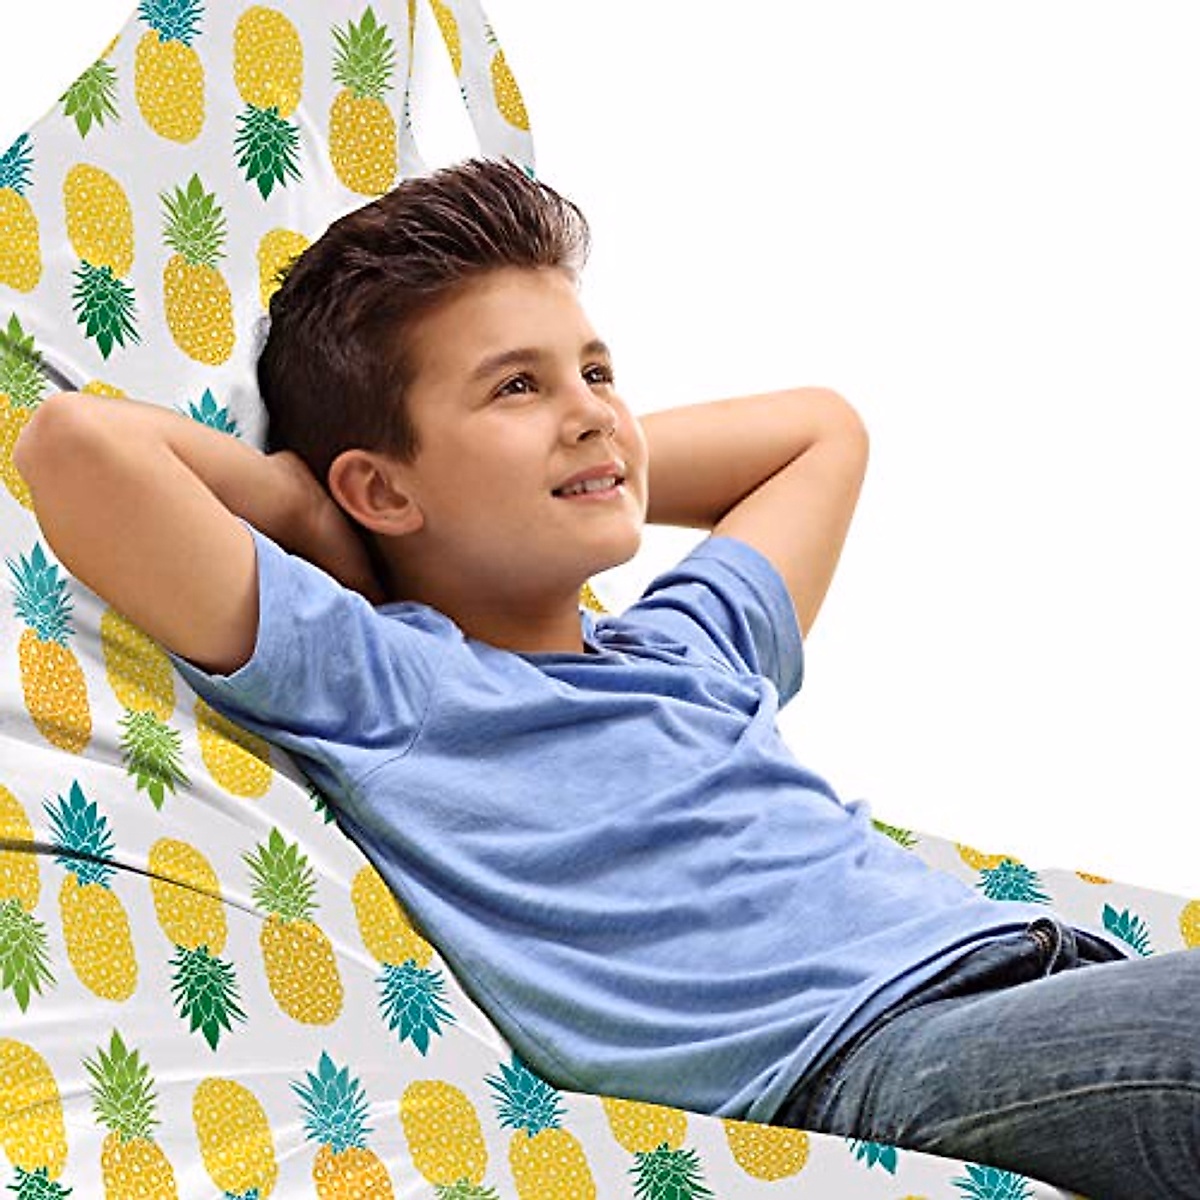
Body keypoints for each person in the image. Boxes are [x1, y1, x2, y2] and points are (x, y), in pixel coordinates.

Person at [14, 156, 1198, 1200]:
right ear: (378, 486)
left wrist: (586, 455)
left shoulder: (688, 648)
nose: (589, 411)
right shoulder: (398, 687)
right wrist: (315, 516)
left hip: (1042, 976)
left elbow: (821, 432)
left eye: (596, 371)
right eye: (516, 386)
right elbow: (76, 448)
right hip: (871, 1055)